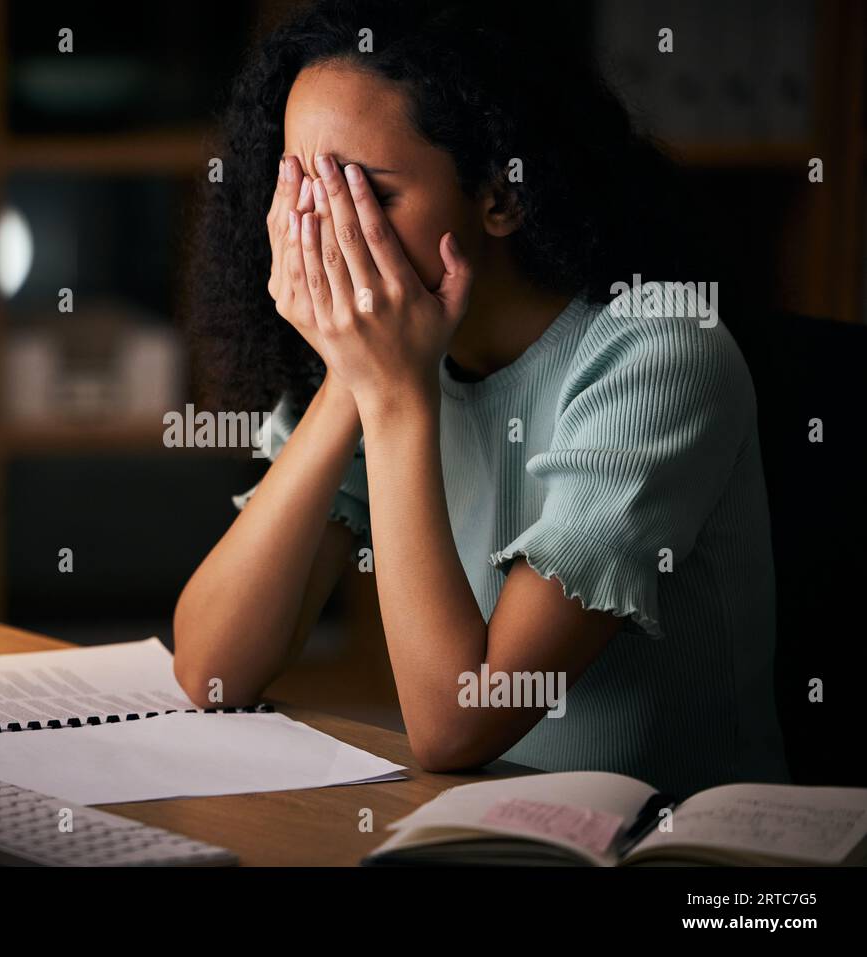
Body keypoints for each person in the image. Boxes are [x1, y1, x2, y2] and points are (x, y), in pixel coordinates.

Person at [175, 0, 788, 796]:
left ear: (501, 195)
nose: (328, 233)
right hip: (484, 829)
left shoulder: (662, 354)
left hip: (666, 847)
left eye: (367, 193)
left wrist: (392, 394)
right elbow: (212, 669)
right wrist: (346, 385)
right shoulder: (387, 361)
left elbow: (457, 723)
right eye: (304, 190)